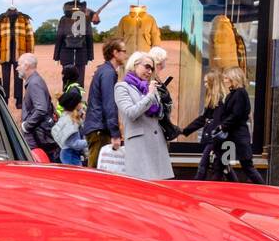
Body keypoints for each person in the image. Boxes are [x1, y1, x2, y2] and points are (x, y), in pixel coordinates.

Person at [113, 50, 173, 180]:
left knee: (160, 189)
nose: (150, 71)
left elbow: (160, 115)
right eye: (146, 66)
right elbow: (131, 113)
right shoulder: (122, 87)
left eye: (152, 68)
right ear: (135, 65)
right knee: (141, 189)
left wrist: (166, 101)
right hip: (139, 146)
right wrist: (150, 96)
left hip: (157, 144)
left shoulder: (149, 86)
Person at [82, 38, 127, 167]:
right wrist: (115, 133)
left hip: (97, 127)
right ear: (115, 53)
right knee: (96, 173)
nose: (125, 54)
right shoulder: (108, 73)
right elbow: (109, 104)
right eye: (123, 51)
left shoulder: (104, 70)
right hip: (99, 129)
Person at [217, 67, 263, 185]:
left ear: (234, 79)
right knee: (222, 163)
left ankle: (263, 188)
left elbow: (236, 115)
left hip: (238, 137)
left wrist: (222, 126)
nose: (224, 80)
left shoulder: (240, 93)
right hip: (232, 136)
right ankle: (231, 186)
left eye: (227, 78)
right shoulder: (232, 94)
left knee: (247, 166)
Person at [180, 70, 226, 181]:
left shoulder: (220, 101)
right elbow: (203, 119)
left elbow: (216, 122)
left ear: (213, 83)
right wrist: (185, 130)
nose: (205, 85)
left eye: (206, 82)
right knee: (222, 168)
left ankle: (196, 186)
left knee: (204, 167)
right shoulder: (213, 100)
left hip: (215, 140)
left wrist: (213, 141)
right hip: (215, 139)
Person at [18, 53, 59, 162]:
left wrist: (26, 126)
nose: (17, 68)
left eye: (19, 65)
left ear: (26, 66)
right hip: (40, 135)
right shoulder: (35, 81)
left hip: (37, 136)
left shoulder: (34, 83)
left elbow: (41, 109)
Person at [53, 87, 87, 166]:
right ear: (75, 105)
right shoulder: (70, 122)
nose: (82, 104)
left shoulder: (66, 117)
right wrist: (89, 142)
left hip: (68, 154)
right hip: (71, 156)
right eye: (80, 102)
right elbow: (74, 143)